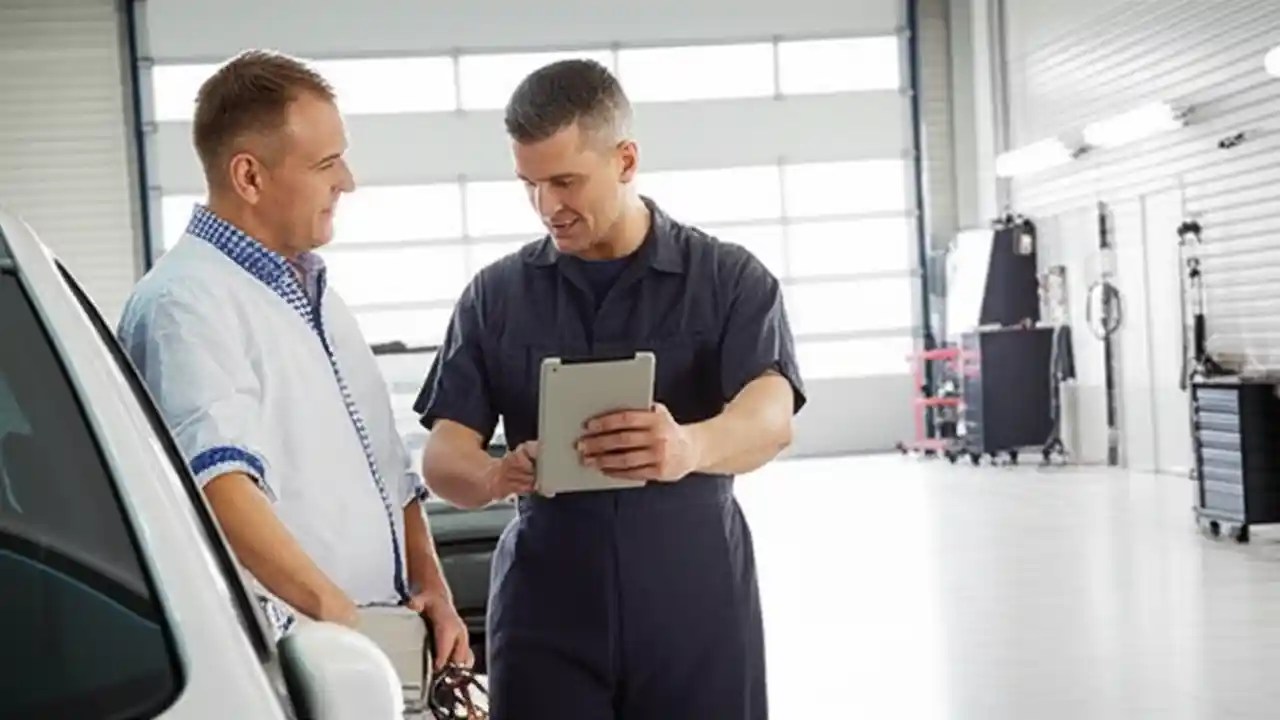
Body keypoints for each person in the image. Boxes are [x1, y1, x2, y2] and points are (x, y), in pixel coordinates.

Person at [414, 59, 805, 719]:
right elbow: (443, 455)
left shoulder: (728, 279)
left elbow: (770, 416)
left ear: (625, 160)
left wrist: (688, 445)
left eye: (565, 181)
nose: (547, 207)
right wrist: (491, 475)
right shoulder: (496, 297)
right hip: (547, 608)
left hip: (695, 603)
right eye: (529, 184)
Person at [116, 50, 471, 670]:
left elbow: (391, 474)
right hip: (303, 659)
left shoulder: (321, 300)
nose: (348, 181)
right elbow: (219, 488)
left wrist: (433, 590)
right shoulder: (185, 305)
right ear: (249, 177)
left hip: (369, 648)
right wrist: (342, 622)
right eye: (327, 164)